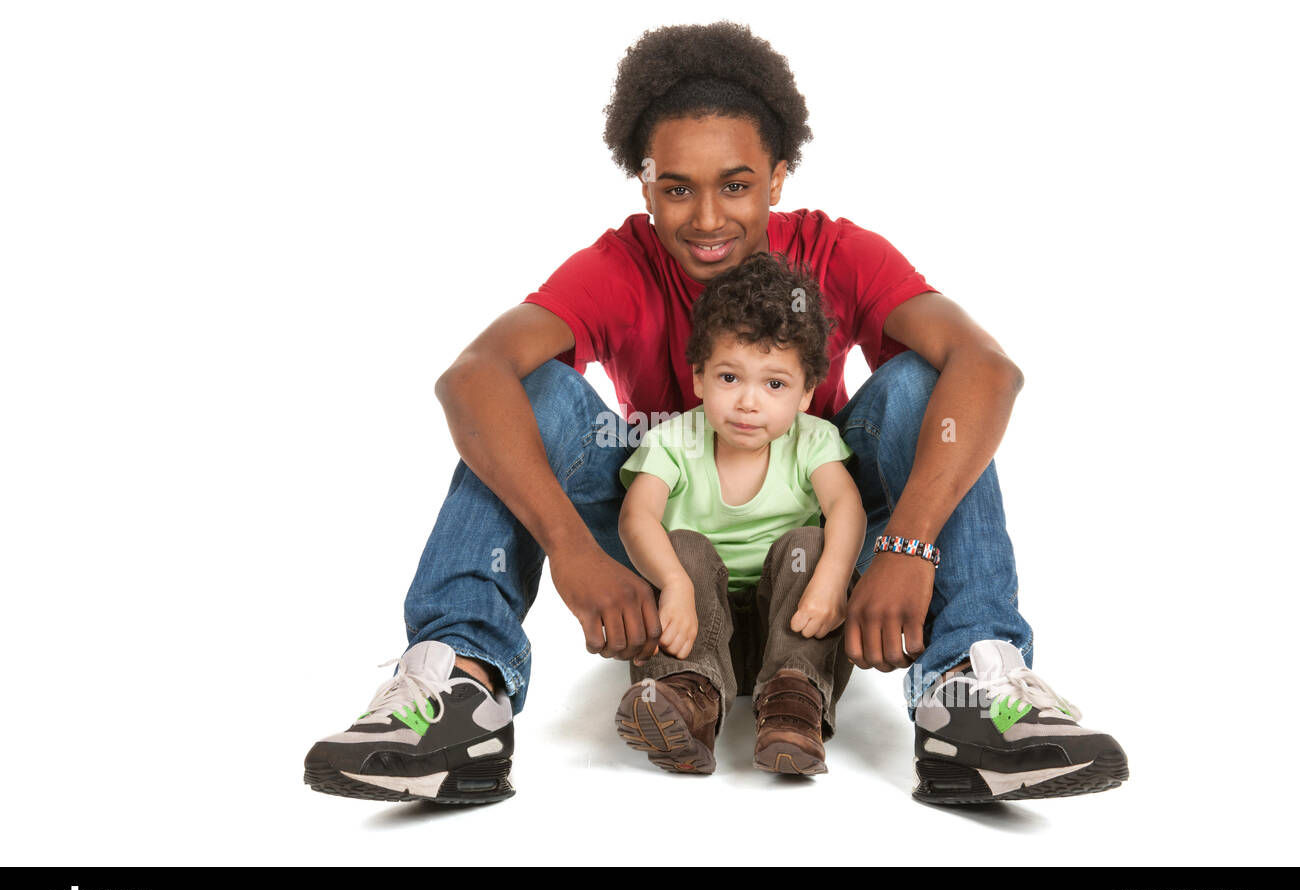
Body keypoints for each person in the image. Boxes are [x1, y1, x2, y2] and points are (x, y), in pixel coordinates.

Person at [303, 20, 1128, 806]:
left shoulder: (837, 252)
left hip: (822, 546)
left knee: (926, 382)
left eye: (736, 185)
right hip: (657, 543)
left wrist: (907, 545)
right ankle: (459, 689)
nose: (706, 220)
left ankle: (972, 695)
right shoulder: (620, 265)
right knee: (532, 394)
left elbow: (988, 367)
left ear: (775, 177)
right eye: (677, 189)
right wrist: (568, 548)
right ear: (646, 184)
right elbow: (471, 375)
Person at [616, 252, 865, 776]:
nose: (749, 402)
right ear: (700, 378)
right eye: (730, 377)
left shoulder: (814, 440)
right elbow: (637, 517)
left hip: (791, 624)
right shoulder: (674, 439)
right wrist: (676, 585)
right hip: (697, 626)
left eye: (774, 384)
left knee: (809, 546)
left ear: (805, 394)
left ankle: (794, 704)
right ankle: (688, 699)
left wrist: (833, 580)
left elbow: (846, 506)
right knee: (681, 545)